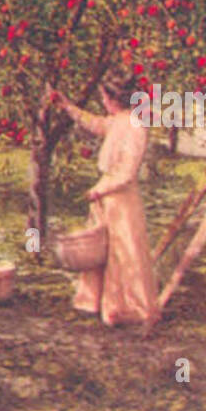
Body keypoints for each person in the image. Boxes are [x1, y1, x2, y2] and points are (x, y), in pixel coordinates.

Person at [48, 71, 159, 326]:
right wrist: (67, 107)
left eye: (103, 97)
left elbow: (127, 171)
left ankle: (130, 308)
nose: (103, 103)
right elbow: (95, 123)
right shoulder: (118, 121)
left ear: (113, 98)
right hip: (108, 196)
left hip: (121, 198)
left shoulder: (135, 125)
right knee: (101, 247)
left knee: (124, 250)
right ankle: (100, 303)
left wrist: (101, 188)